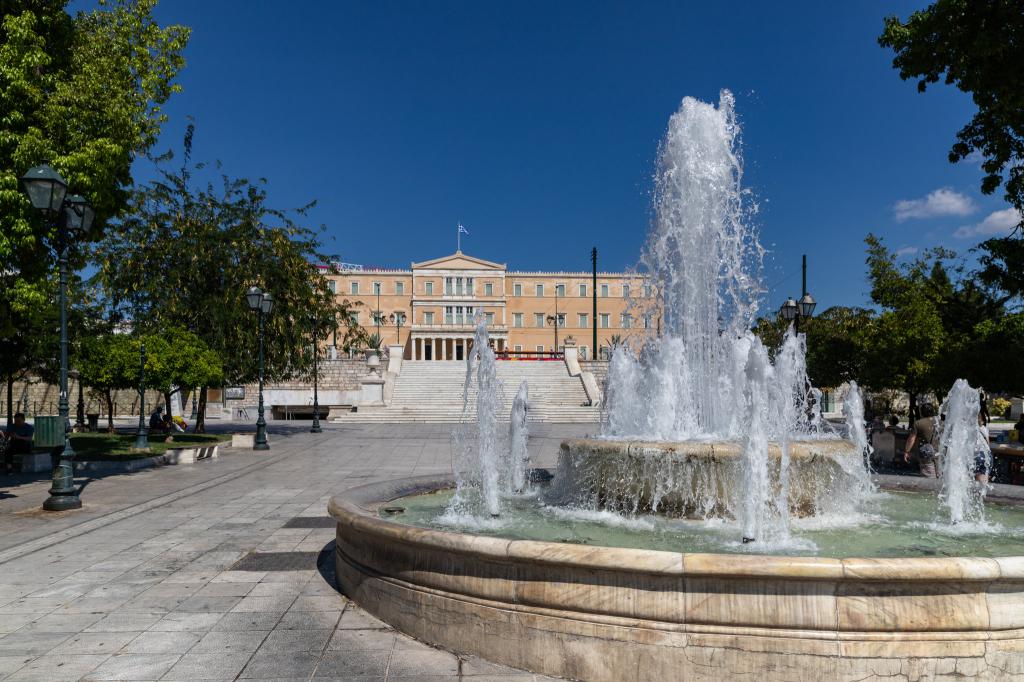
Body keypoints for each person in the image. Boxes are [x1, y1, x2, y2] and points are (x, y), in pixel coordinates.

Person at [904, 403, 940, 477]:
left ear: (922, 412)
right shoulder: (939, 422)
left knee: (928, 477)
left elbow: (911, 439)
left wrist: (907, 451)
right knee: (940, 476)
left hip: (926, 453)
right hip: (940, 453)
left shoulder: (918, 423)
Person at [974, 413, 992, 485]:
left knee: (972, 484)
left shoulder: (968, 429)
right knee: (982, 485)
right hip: (987, 455)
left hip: (977, 455)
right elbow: (988, 444)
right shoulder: (984, 428)